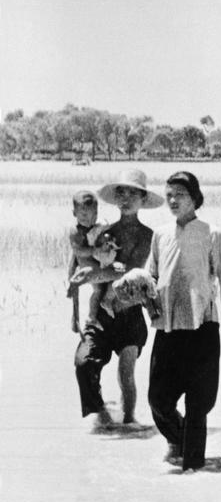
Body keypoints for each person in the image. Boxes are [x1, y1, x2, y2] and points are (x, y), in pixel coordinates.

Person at [144, 171, 221, 471]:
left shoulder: (211, 234)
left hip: (203, 327)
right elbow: (150, 277)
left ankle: (193, 468)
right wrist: (141, 296)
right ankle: (179, 442)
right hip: (168, 326)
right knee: (158, 400)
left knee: (198, 404)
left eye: (180, 194)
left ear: (195, 198)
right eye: (169, 195)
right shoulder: (160, 235)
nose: (173, 200)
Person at [71, 169, 162, 429]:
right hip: (101, 314)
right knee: (83, 364)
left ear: (143, 199)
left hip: (130, 312)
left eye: (133, 193)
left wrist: (96, 274)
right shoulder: (103, 232)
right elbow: (80, 261)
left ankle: (130, 421)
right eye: (121, 193)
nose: (126, 198)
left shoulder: (148, 235)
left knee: (126, 374)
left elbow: (131, 271)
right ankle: (103, 416)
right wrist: (76, 299)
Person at [66, 190, 109, 335]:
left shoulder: (95, 227)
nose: (89, 219)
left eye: (93, 214)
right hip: (84, 265)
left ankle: (87, 316)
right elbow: (78, 251)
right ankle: (90, 317)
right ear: (74, 213)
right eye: (84, 215)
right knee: (98, 290)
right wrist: (93, 251)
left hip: (94, 263)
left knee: (104, 285)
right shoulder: (75, 231)